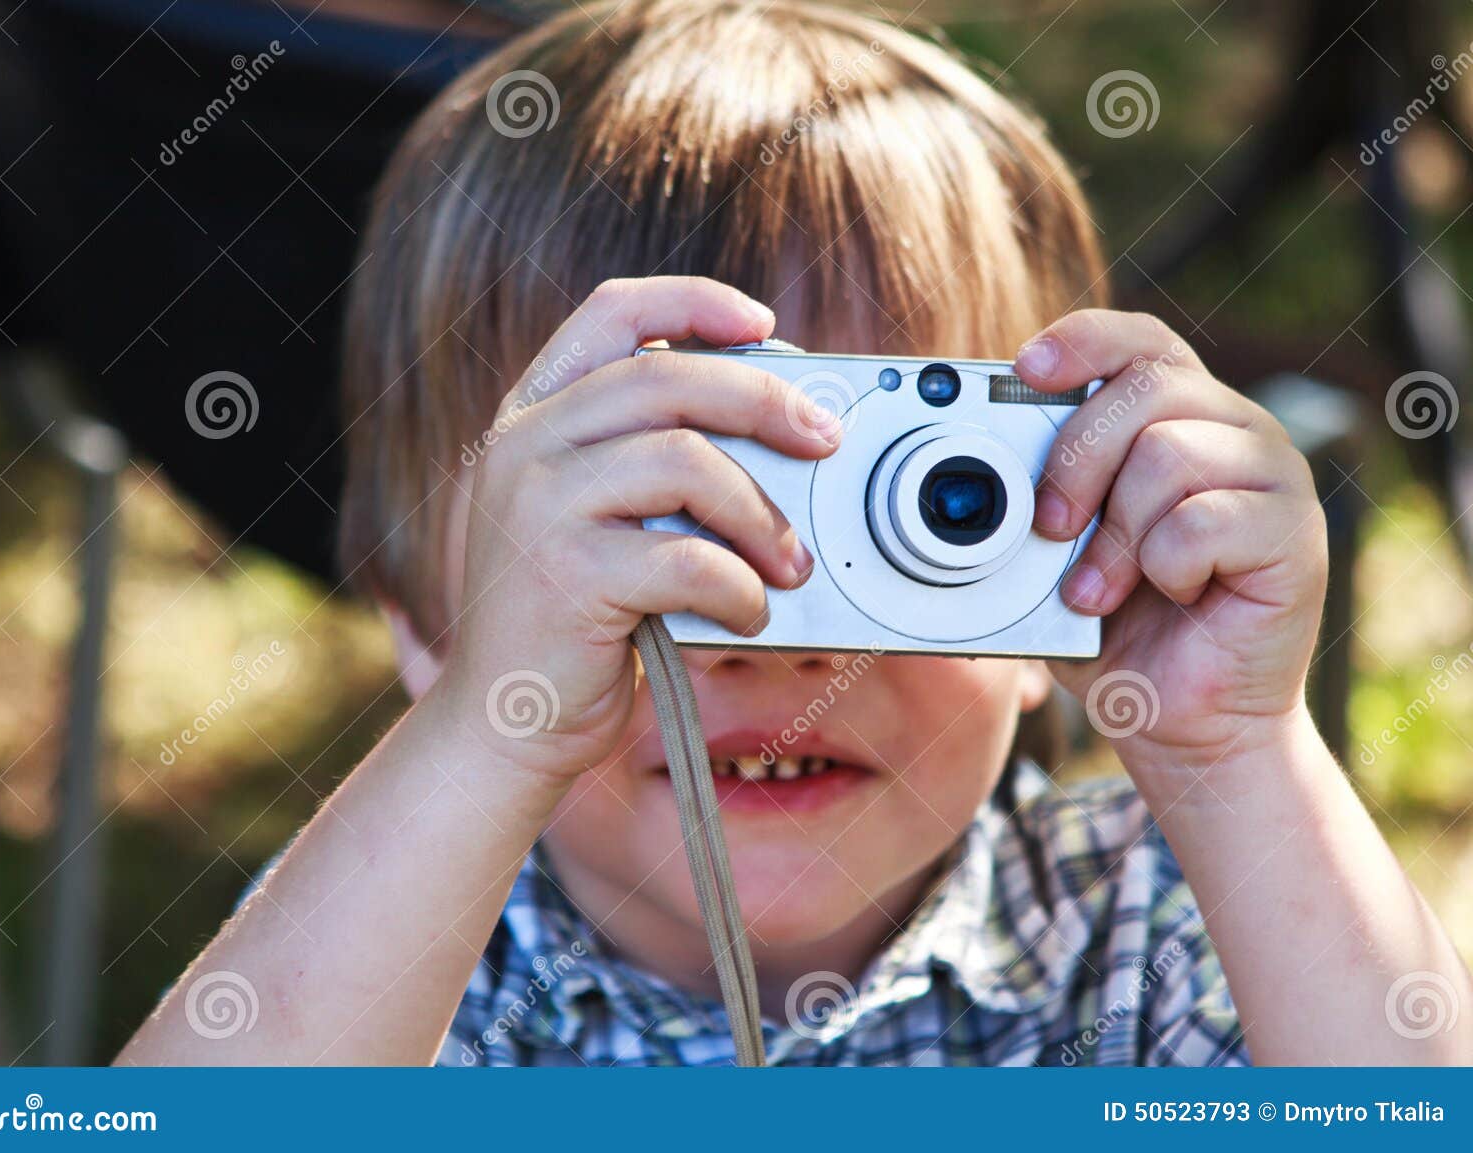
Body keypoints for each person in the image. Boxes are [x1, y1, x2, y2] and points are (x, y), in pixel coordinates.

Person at [118, 0, 1473, 1066]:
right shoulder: (404, 943)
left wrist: (1242, 758)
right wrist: (496, 735)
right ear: (421, 612)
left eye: (930, 503)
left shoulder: (1151, 937)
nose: (770, 631)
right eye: (652, 516)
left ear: (1071, 537)